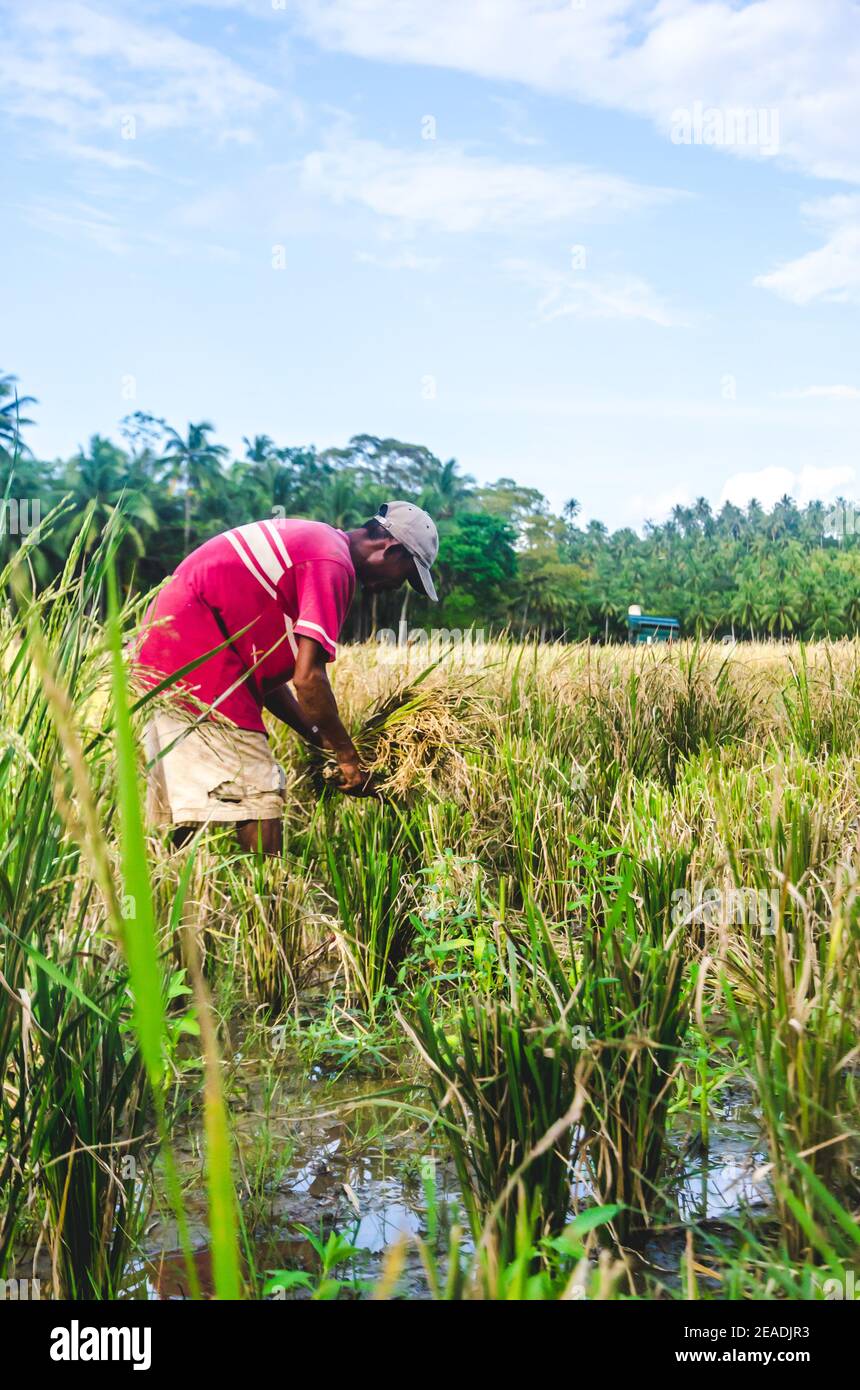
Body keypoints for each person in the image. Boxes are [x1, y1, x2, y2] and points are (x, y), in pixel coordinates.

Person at [134, 500, 439, 854]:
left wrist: (315, 736)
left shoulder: (320, 544)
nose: (398, 585)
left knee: (201, 803)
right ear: (392, 549)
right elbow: (308, 678)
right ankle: (266, 899)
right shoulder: (331, 563)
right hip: (195, 658)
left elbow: (265, 678)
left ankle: (172, 889)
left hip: (168, 655)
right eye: (406, 574)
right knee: (261, 793)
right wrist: (346, 754)